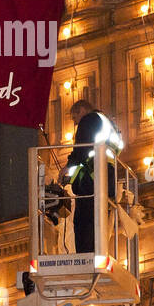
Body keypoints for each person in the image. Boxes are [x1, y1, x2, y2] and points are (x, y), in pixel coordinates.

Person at [63, 99, 123, 253]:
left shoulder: (89, 120)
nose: (76, 124)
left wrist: (66, 168)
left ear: (81, 110)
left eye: (75, 119)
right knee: (97, 225)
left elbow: (81, 149)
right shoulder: (108, 123)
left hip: (92, 180)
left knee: (82, 223)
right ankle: (95, 253)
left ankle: (85, 256)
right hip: (105, 179)